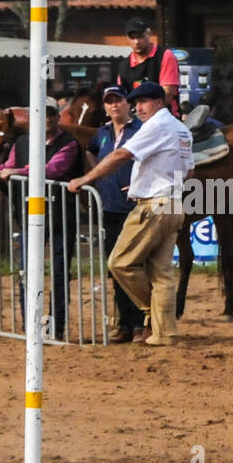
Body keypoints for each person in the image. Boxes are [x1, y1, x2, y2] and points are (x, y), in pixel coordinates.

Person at [68, 82, 193, 347]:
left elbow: (122, 154)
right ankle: (165, 332)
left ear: (159, 103)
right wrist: (150, 181)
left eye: (143, 102)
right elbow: (188, 171)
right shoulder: (181, 129)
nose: (137, 108)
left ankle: (153, 317)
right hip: (173, 203)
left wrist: (86, 177)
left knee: (120, 263)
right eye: (135, 103)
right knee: (161, 273)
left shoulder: (157, 125)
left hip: (155, 205)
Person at [0, 96, 85, 341]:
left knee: (59, 273)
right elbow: (8, 164)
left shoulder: (69, 143)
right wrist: (6, 170)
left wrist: (13, 172)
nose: (46, 118)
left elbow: (51, 169)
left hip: (60, 217)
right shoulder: (22, 142)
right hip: (29, 217)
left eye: (50, 114)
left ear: (57, 117)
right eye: (42, 114)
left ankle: (55, 328)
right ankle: (30, 327)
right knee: (27, 273)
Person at [90, 85, 145, 342]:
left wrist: (139, 180)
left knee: (133, 266)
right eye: (109, 102)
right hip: (109, 207)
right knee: (115, 268)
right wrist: (97, 177)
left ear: (127, 104)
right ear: (105, 106)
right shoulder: (101, 133)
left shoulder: (140, 131)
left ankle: (139, 324)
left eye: (118, 101)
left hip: (134, 208)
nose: (114, 106)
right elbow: (90, 151)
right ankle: (123, 323)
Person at [117, 17, 180, 115]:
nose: (136, 42)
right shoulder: (124, 66)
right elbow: (121, 97)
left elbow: (167, 93)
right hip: (135, 120)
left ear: (149, 33)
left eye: (140, 36)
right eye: (132, 38)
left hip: (165, 117)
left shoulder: (165, 56)